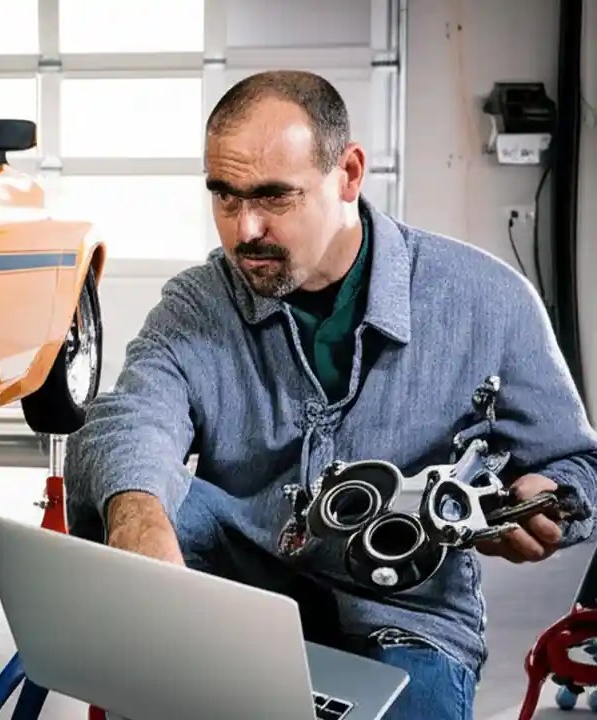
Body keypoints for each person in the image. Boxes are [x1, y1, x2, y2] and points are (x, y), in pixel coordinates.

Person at [63, 69, 597, 720]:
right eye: (224, 197)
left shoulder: (487, 301)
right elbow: (132, 415)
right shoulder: (197, 305)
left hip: (408, 615)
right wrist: (137, 516)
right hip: (241, 597)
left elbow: (579, 468)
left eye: (273, 197)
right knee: (161, 500)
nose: (244, 229)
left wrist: (551, 504)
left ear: (348, 173)